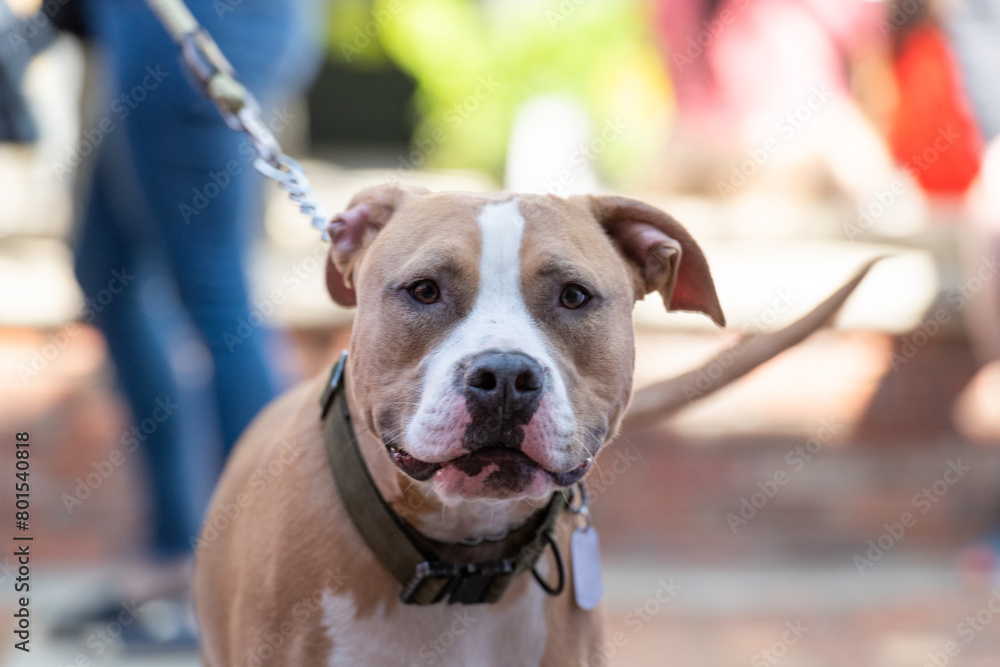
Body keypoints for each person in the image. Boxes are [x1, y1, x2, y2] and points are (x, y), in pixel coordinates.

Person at [66, 0, 323, 644]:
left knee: (213, 292)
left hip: (195, 19)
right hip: (141, 21)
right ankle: (179, 553)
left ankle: (266, 577)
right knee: (107, 271)